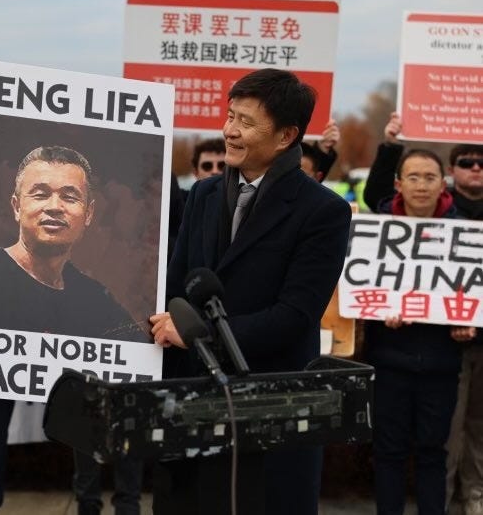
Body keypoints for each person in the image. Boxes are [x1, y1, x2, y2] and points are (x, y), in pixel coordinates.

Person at [150, 68, 352, 515]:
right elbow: (175, 284)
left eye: (244, 121)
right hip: (189, 412)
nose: (229, 130)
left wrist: (198, 334)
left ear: (285, 136)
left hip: (270, 416)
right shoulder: (203, 195)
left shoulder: (323, 212)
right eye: (229, 116)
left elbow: (293, 315)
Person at [0, 145, 146, 515]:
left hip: (9, 384)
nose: (54, 207)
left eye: (70, 196)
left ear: (88, 214)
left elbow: (134, 340)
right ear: (16, 205)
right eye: (40, 193)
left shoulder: (94, 295)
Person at [362, 112, 483, 514]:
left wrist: (471, 325)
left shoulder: (465, 233)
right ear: (399, 184)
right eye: (412, 177)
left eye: (429, 177)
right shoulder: (379, 227)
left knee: (433, 453)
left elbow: (474, 290)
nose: (420, 185)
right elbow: (364, 292)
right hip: (390, 358)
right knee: (389, 452)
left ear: (442, 183)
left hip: (442, 361)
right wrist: (382, 313)